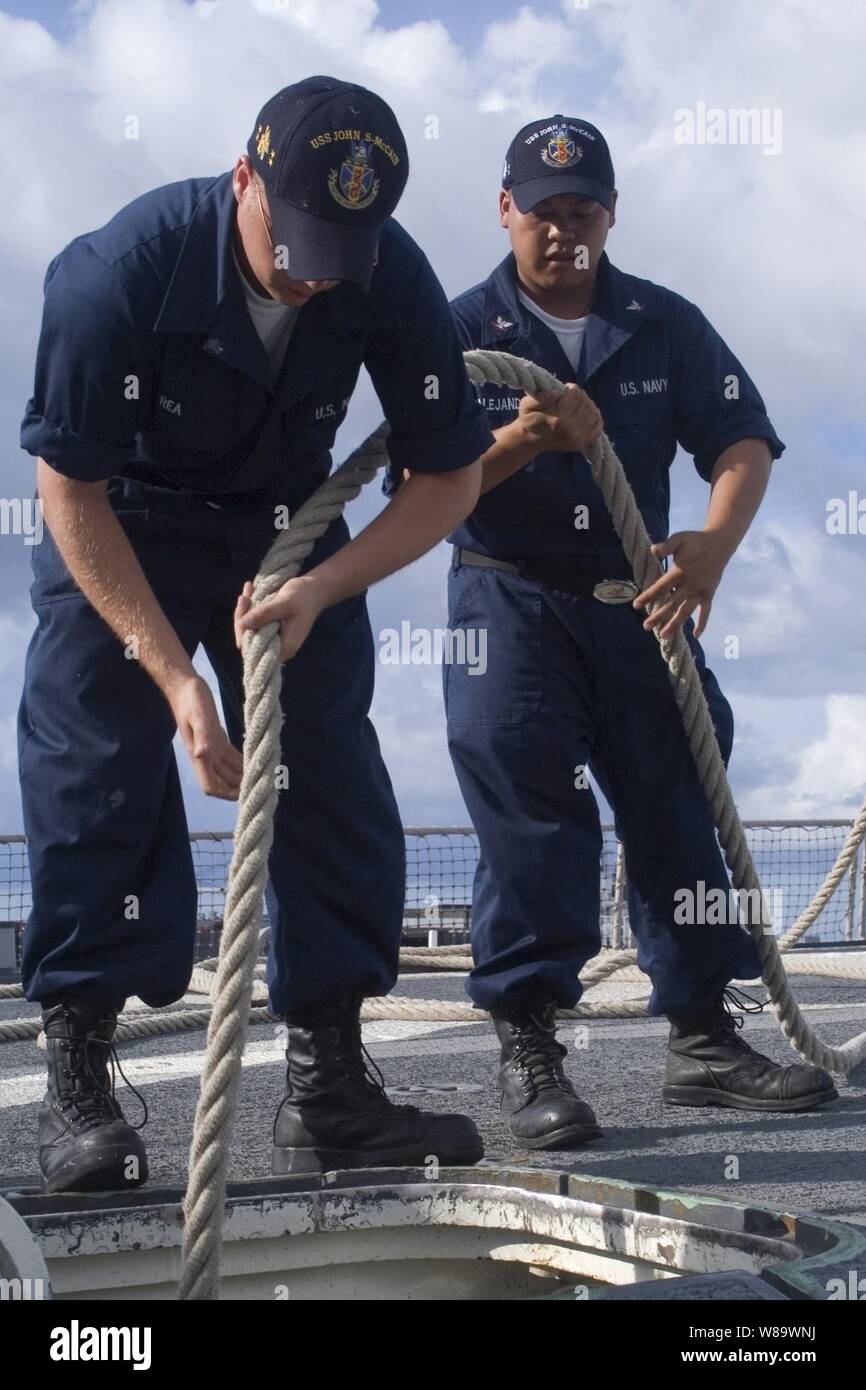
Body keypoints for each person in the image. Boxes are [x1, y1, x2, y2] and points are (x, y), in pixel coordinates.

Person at [17, 76, 505, 1193]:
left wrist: (326, 585)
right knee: (93, 761)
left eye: (340, 249)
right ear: (243, 177)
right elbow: (69, 495)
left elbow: (448, 475)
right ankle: (82, 1080)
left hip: (286, 535)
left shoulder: (384, 274)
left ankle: (331, 1085)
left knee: (327, 767)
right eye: (294, 242)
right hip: (125, 520)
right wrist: (176, 676)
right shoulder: (115, 278)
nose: (313, 271)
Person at [433, 114, 836, 1149]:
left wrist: (711, 544)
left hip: (637, 595)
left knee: (677, 804)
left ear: (609, 215)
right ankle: (531, 1047)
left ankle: (702, 1037)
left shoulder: (663, 321)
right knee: (529, 821)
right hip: (507, 600)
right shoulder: (452, 326)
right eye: (542, 212)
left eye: (583, 212)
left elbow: (741, 437)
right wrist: (523, 437)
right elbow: (417, 484)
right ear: (503, 209)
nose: (561, 232)